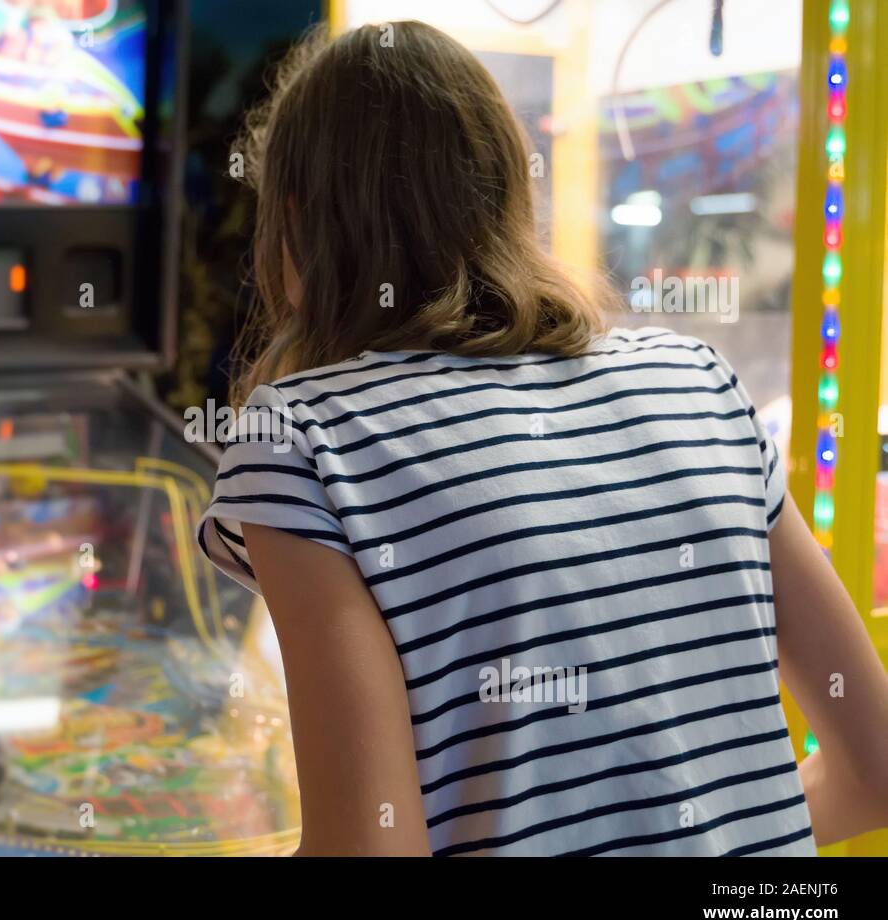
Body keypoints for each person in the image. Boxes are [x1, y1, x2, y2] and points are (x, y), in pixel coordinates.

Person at [196, 21, 888, 856]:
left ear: (297, 225)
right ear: (507, 193)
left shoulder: (302, 436)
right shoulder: (699, 380)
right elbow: (875, 768)